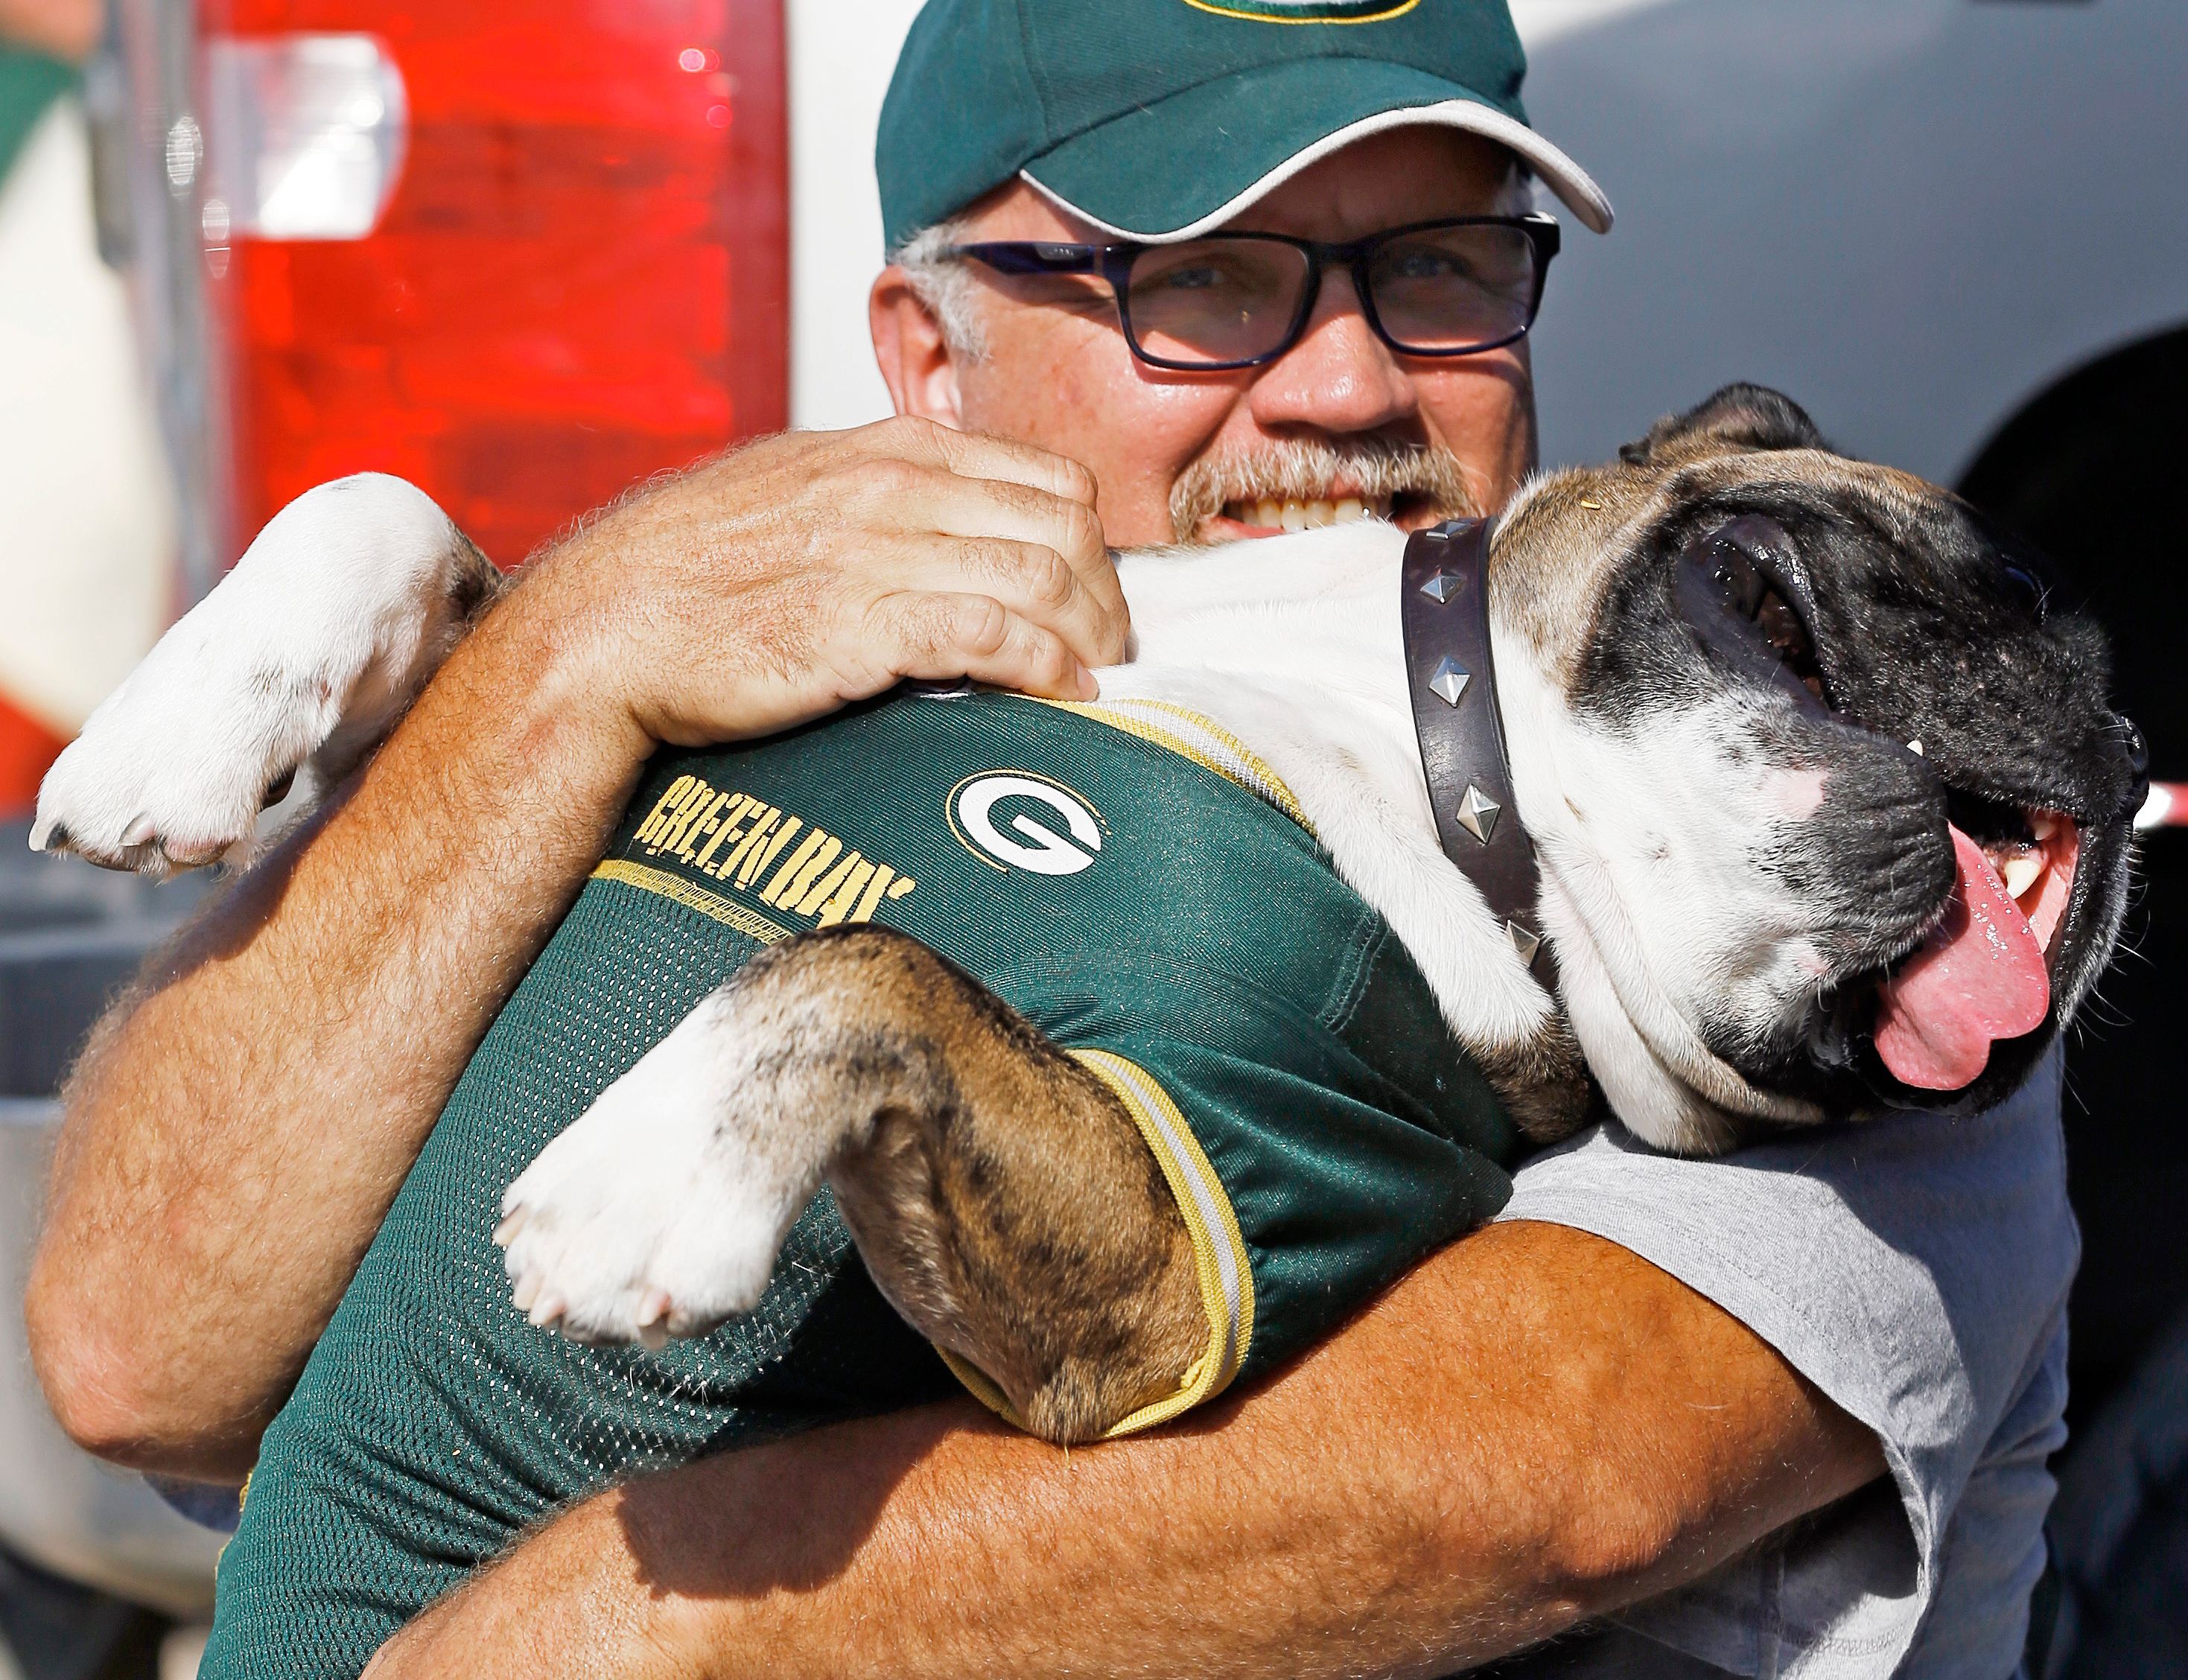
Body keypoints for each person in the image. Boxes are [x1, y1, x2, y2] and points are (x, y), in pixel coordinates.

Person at [26, 1, 2076, 1675]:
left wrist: (600, 1623)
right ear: (925, 362)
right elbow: (140, 1353)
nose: (1350, 377)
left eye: (1441, 266)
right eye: (1203, 283)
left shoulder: (1776, 846)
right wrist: (556, 652)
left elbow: (1533, 1482)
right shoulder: (756, 690)